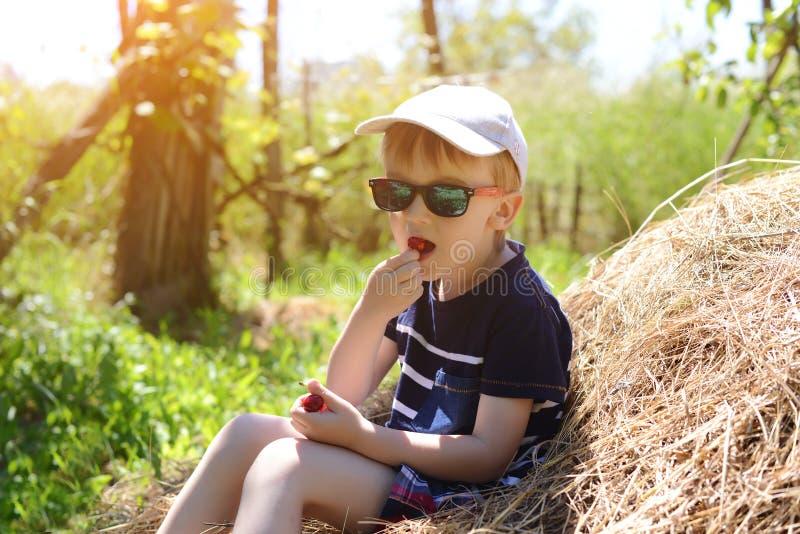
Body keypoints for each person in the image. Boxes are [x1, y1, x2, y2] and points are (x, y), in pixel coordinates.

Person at [157, 84, 572, 534]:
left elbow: (487, 456)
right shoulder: (417, 283)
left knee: (284, 466)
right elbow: (346, 391)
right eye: (397, 193)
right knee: (244, 434)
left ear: (504, 211)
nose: (415, 215)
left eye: (446, 197)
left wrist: (365, 438)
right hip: (407, 465)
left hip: (469, 499)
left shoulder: (518, 307)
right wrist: (371, 312)